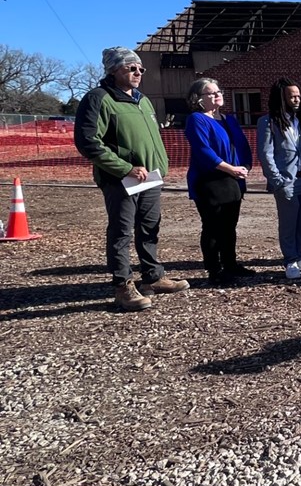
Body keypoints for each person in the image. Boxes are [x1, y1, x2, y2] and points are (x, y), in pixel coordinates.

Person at [74, 47, 188, 311]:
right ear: (113, 70)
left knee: (150, 228)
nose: (138, 72)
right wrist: (124, 168)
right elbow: (88, 142)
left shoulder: (143, 100)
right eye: (131, 68)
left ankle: (153, 277)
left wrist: (161, 166)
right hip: (121, 179)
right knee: (121, 232)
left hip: (150, 178)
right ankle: (123, 285)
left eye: (140, 69)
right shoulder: (98, 99)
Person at [184, 78, 254, 286]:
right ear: (199, 99)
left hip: (233, 180)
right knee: (213, 227)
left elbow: (242, 146)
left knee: (229, 226)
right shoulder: (197, 119)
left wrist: (245, 167)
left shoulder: (229, 120)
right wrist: (230, 168)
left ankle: (230, 264)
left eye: (218, 91)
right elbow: (203, 151)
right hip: (211, 180)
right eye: (211, 93)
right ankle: (215, 270)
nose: (217, 95)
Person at [257, 78, 301, 280]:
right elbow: (265, 153)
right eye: (292, 96)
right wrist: (277, 181)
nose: (296, 99)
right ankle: (290, 261)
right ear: (281, 98)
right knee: (288, 224)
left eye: (298, 96)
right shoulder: (267, 122)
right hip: (286, 181)